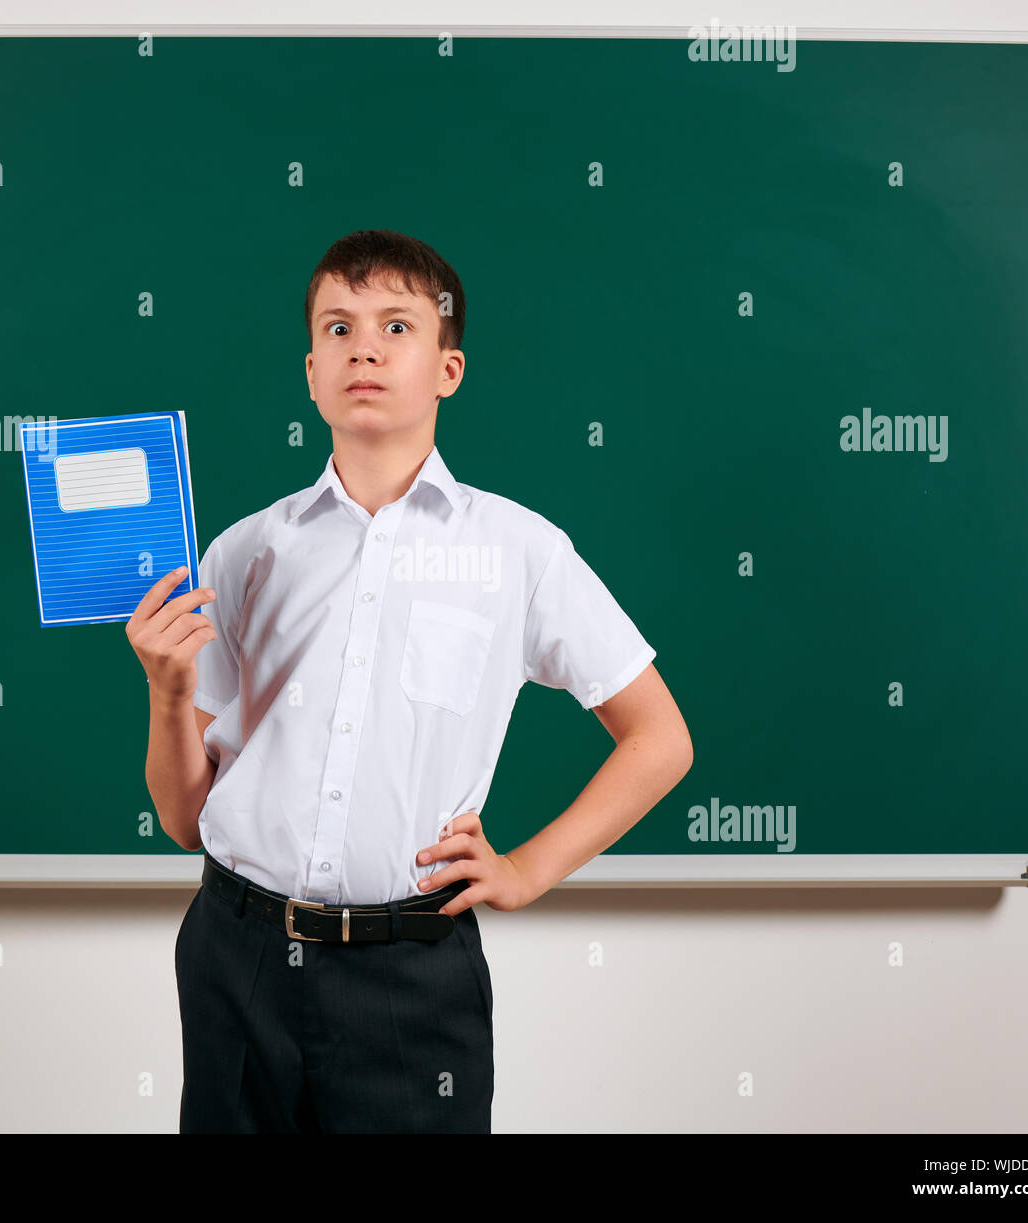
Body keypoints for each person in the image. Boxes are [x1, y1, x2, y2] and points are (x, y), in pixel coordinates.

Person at [127, 229, 694, 1133]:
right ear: (310, 371)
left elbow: (660, 739)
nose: (365, 347)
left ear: (448, 368)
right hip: (237, 960)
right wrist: (164, 693)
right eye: (339, 327)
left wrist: (526, 869)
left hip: (412, 976)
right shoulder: (242, 553)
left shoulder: (520, 552)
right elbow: (186, 817)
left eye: (398, 326)